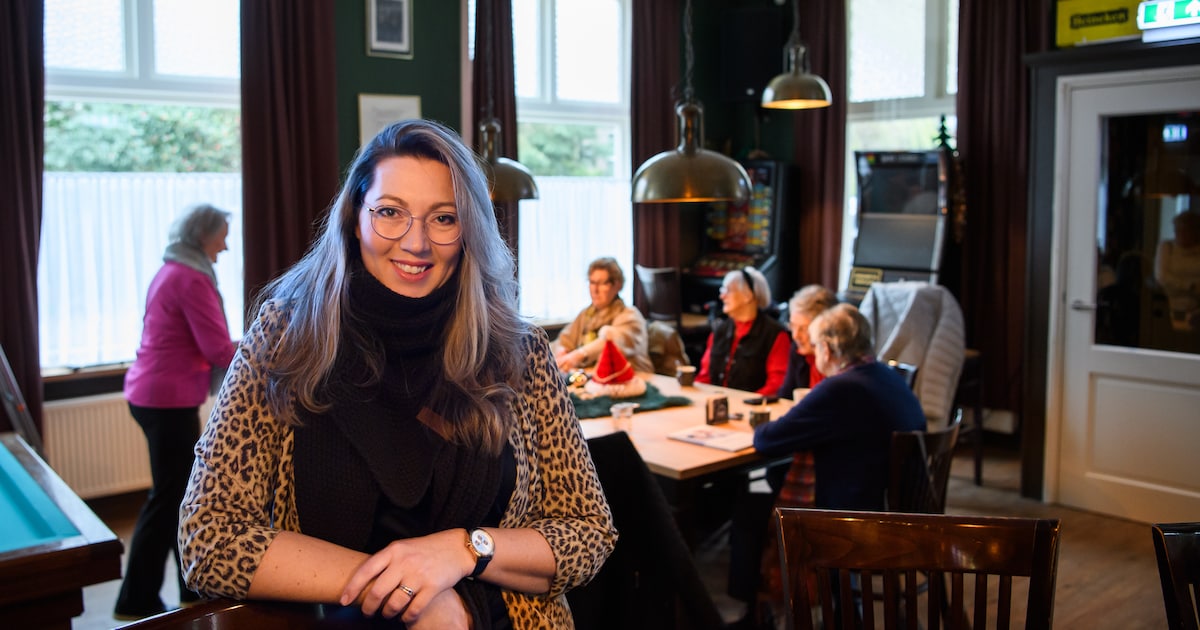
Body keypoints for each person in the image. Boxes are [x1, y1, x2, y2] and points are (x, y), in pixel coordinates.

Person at [178, 119, 616, 630]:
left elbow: (589, 533)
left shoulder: (518, 350)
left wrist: (463, 550)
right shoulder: (286, 335)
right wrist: (409, 586)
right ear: (354, 218)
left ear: (469, 230)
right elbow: (208, 538)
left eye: (444, 218)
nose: (417, 242)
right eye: (390, 212)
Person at [726, 304, 925, 625]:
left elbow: (767, 440)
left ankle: (757, 615)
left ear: (829, 349)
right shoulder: (886, 375)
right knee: (765, 486)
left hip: (856, 517)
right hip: (896, 505)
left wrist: (761, 424)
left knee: (751, 503)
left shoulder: (841, 389)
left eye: (816, 344)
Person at [114, 203, 237, 620]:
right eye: (222, 233)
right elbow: (219, 349)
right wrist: (275, 336)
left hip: (153, 393)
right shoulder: (191, 279)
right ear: (204, 235)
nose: (226, 243)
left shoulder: (172, 269)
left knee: (176, 495)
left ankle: (188, 588)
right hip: (166, 398)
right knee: (172, 499)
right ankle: (136, 599)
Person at [695, 266, 790, 396]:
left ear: (748, 296)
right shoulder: (719, 330)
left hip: (755, 410)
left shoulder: (775, 334)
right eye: (722, 290)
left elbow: (776, 384)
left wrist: (746, 404)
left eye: (727, 290)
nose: (722, 296)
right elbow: (704, 377)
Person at [552, 256, 654, 374]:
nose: (595, 290)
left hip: (632, 382)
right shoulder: (587, 314)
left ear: (617, 285)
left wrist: (578, 355)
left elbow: (611, 341)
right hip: (595, 381)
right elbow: (565, 339)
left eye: (602, 283)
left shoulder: (630, 315)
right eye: (592, 282)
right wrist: (561, 351)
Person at [776, 284, 839, 399]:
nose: (795, 336)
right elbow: (786, 395)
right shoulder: (798, 350)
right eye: (792, 326)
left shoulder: (838, 359)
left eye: (803, 328)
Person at [1154, 210, 1200, 332]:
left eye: (1185, 231)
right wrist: (1189, 286)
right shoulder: (1167, 247)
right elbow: (1162, 277)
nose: (1180, 234)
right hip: (1170, 309)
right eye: (1177, 230)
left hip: (1196, 312)